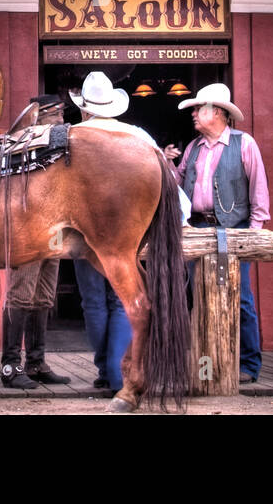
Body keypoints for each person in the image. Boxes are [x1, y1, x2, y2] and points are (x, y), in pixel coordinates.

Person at [173, 82, 270, 383]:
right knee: (197, 296)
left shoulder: (245, 144)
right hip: (198, 226)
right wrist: (166, 162)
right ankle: (205, 364)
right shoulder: (193, 148)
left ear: (217, 113)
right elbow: (175, 183)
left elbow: (259, 190)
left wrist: (254, 232)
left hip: (234, 229)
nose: (193, 115)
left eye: (198, 109)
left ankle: (248, 364)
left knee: (240, 298)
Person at [68, 71, 154, 394]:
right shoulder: (138, 137)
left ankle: (105, 369)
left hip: (83, 234)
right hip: (127, 234)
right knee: (122, 300)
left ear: (84, 109)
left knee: (92, 302)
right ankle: (115, 374)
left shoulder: (74, 136)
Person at [0, 94, 71, 390]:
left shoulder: (57, 144)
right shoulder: (20, 144)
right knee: (21, 294)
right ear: (43, 115)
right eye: (57, 115)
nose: (61, 120)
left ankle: (36, 362)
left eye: (61, 115)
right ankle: (9, 365)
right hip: (27, 228)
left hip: (53, 228)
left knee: (42, 297)